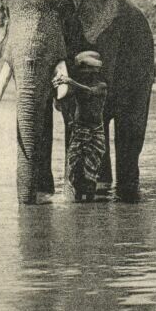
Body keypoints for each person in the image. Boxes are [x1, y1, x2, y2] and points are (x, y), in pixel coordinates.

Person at [52, 51, 108, 202]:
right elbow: (59, 103)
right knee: (74, 169)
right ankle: (79, 210)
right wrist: (57, 87)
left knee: (91, 175)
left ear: (95, 70)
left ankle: (88, 205)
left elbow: (89, 92)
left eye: (86, 69)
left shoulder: (101, 86)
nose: (83, 72)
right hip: (79, 131)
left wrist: (70, 82)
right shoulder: (77, 87)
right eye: (82, 69)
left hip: (95, 133)